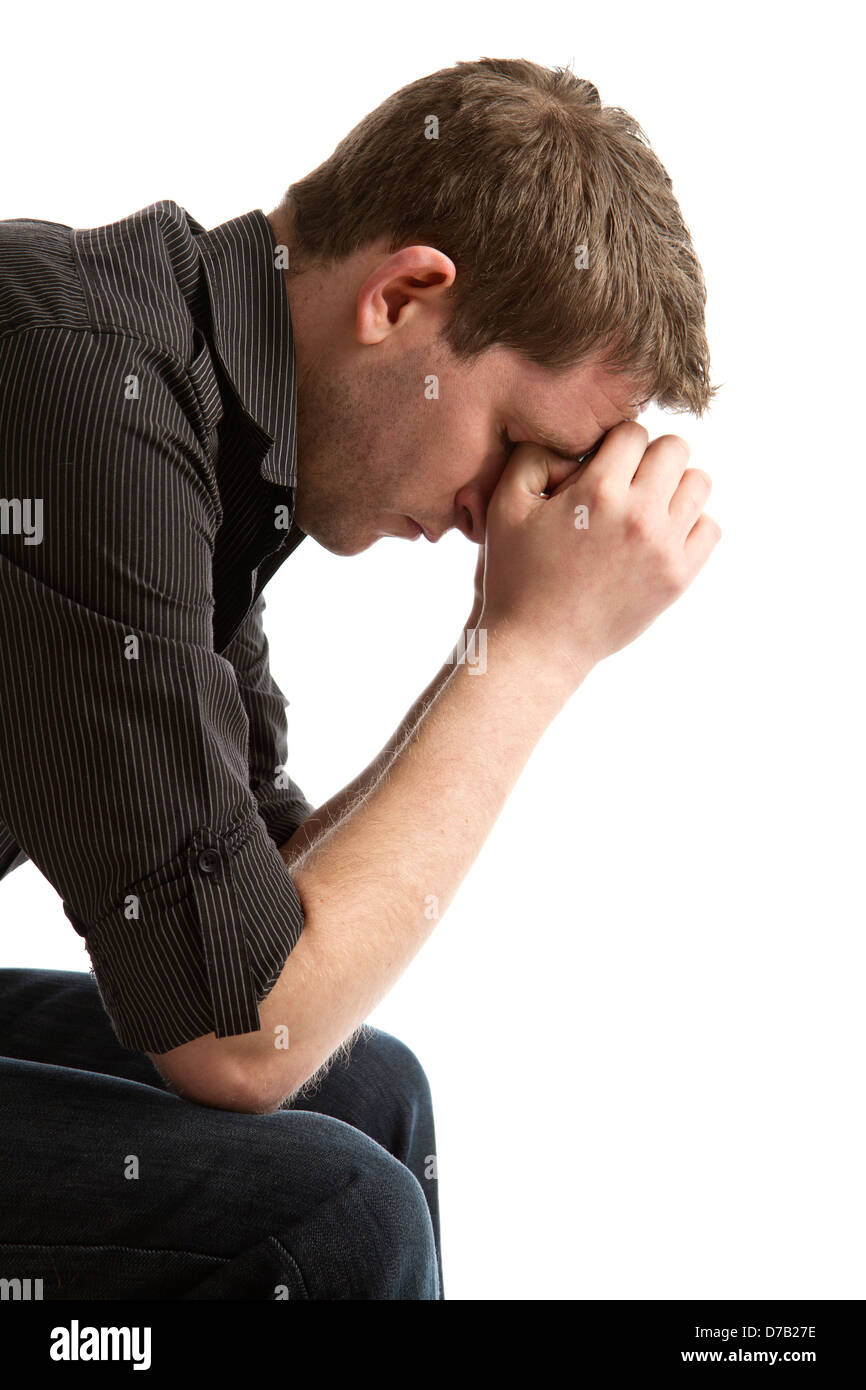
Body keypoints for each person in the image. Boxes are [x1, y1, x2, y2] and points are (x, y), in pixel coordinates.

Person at [0, 57, 719, 1300]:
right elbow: (240, 1038)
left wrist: (493, 642)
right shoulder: (88, 393)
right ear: (404, 296)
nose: (502, 514)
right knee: (334, 1213)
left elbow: (260, 925)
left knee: (377, 1091)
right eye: (516, 443)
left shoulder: (204, 438)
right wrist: (534, 653)